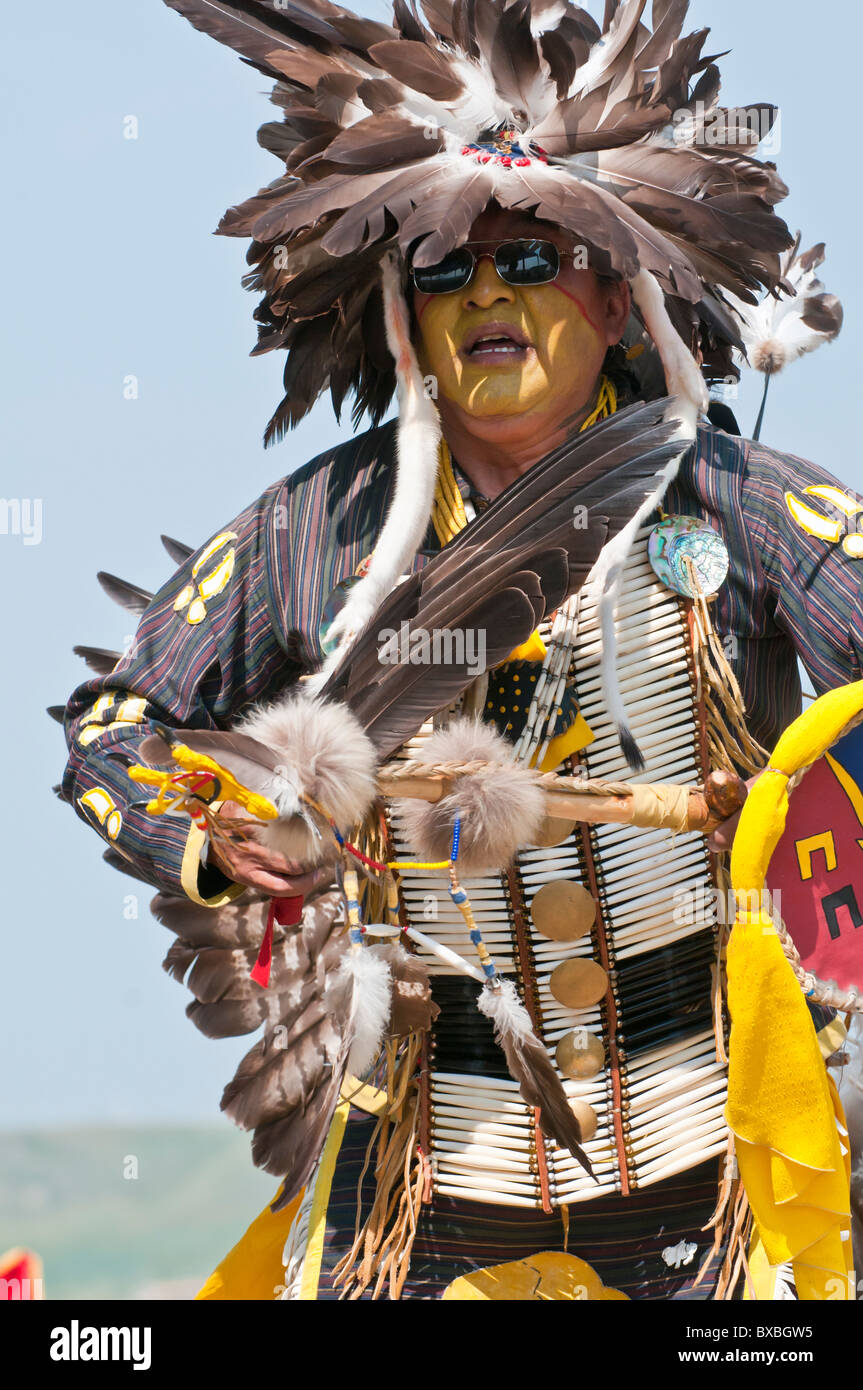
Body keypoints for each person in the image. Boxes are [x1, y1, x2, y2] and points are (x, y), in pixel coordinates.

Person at [62, 0, 855, 1299]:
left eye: (531, 257)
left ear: (615, 292)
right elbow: (112, 729)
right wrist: (217, 834)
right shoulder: (315, 535)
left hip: (717, 1182)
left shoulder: (729, 499)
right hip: (429, 1195)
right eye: (446, 269)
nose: (485, 291)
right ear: (402, 312)